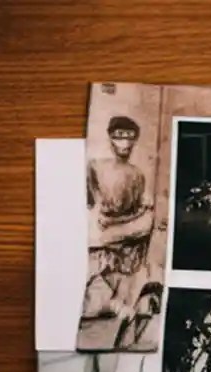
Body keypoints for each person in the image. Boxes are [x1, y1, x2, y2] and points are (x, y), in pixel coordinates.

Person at [83, 115, 156, 337]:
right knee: (96, 295)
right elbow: (89, 204)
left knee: (124, 289)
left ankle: (125, 310)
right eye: (119, 137)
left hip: (128, 243)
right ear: (110, 138)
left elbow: (144, 212)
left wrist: (122, 225)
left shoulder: (137, 175)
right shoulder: (95, 167)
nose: (124, 143)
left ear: (135, 141)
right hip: (107, 238)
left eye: (129, 138)